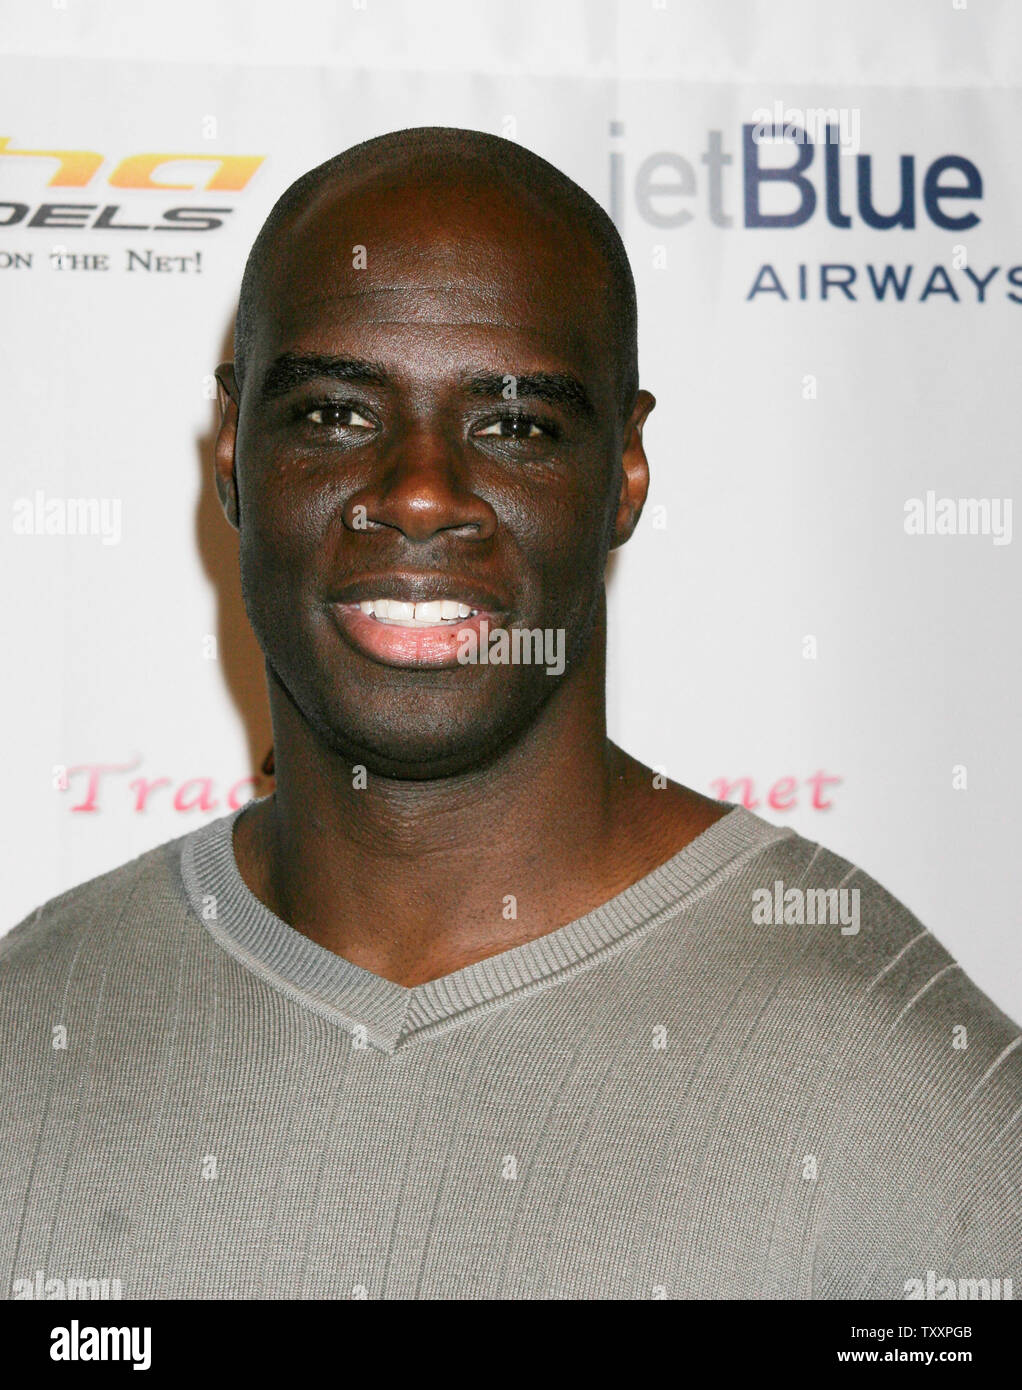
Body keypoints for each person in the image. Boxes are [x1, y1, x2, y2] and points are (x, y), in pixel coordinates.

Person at [2, 128, 1018, 1301]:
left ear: (623, 475)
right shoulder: (39, 1025)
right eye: (335, 413)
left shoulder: (898, 1090)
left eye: (516, 425)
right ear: (233, 446)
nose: (420, 491)